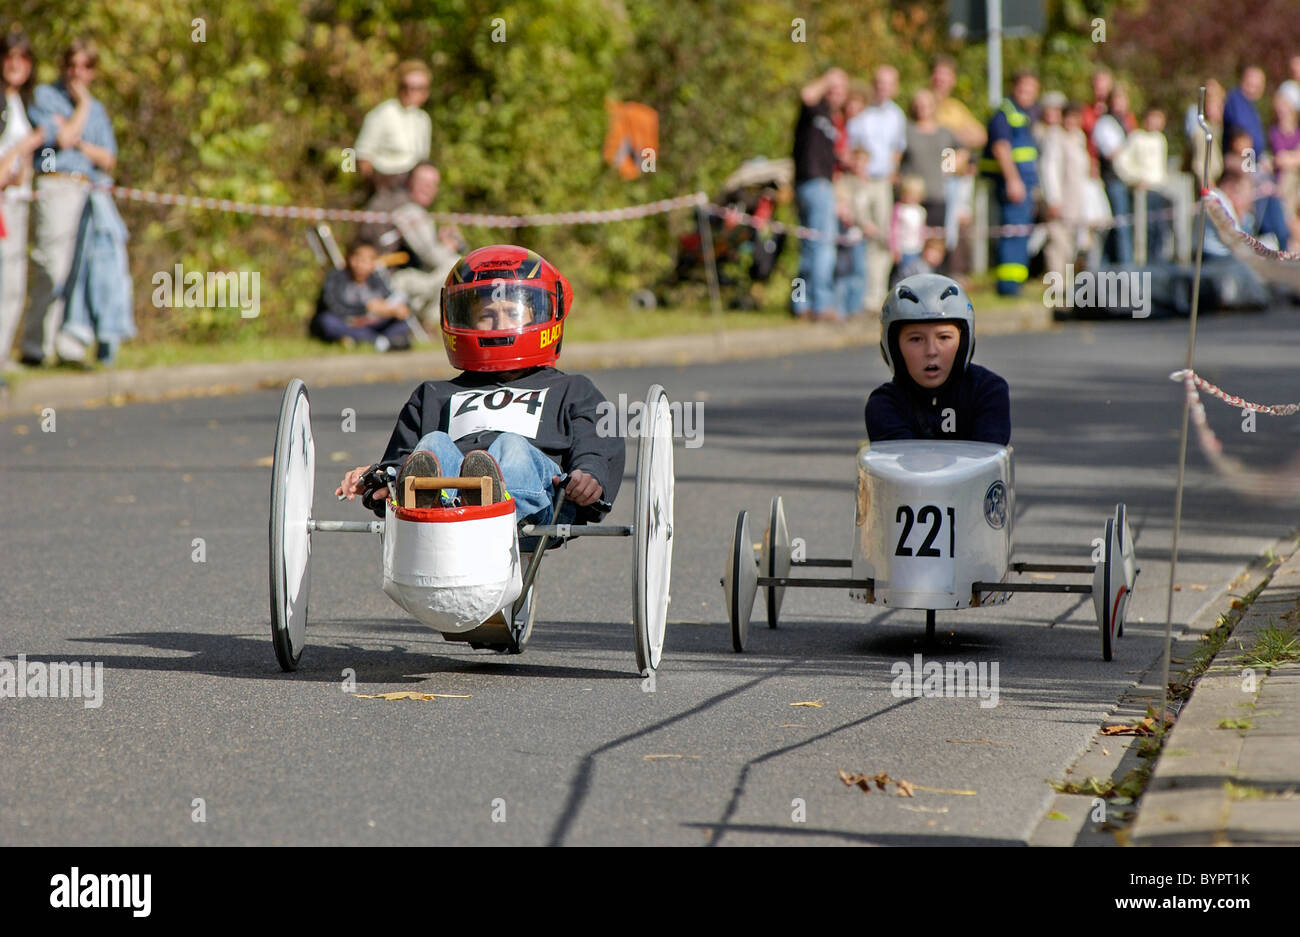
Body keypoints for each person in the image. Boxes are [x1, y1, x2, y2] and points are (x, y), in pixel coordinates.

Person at [335, 245, 624, 529]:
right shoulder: (433, 395)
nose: (498, 325)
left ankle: (494, 506)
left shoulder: (571, 389)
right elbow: (401, 458)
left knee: (511, 445)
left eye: (512, 313)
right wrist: (382, 476)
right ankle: (439, 507)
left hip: (542, 497)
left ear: (542, 315)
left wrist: (588, 474)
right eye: (486, 316)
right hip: (449, 506)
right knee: (433, 445)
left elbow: (595, 446)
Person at [21, 38, 118, 366]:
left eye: (85, 66)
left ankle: (68, 345)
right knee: (51, 265)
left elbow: (108, 158)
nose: (77, 72)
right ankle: (36, 347)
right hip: (54, 184)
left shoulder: (98, 109)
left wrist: (81, 143)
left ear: (93, 71)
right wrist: (82, 110)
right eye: (72, 64)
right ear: (63, 65)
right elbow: (61, 139)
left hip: (87, 190)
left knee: (81, 270)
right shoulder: (45, 96)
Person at [865, 273, 1010, 445]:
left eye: (944, 337)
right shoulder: (884, 404)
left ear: (964, 342)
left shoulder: (987, 391)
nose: (931, 351)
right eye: (916, 339)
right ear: (894, 348)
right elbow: (906, 463)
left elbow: (988, 460)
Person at [358, 160, 464, 324]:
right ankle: (433, 322)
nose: (428, 189)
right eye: (423, 183)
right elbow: (432, 257)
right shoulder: (408, 210)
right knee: (455, 267)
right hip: (386, 279)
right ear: (409, 182)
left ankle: (429, 322)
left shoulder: (390, 200)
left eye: (433, 184)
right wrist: (452, 245)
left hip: (379, 275)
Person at [0, 29, 42, 375]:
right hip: (3, 203)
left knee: (13, 283)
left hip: (18, 202)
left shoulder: (23, 102)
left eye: (22, 58)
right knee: (8, 283)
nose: (15, 64)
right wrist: (23, 149)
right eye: (9, 57)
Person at [848, 65, 907, 310]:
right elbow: (851, 147)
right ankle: (855, 295)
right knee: (858, 234)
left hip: (882, 181)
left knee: (882, 238)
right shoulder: (861, 113)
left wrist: (892, 173)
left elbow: (897, 148)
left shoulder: (897, 115)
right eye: (879, 82)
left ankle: (876, 294)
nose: (882, 87)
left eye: (887, 83)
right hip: (861, 181)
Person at [791, 67, 848, 320]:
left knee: (810, 247)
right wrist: (828, 78)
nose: (835, 93)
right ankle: (821, 304)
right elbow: (806, 94)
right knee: (822, 246)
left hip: (821, 184)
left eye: (840, 90)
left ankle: (801, 305)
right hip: (812, 183)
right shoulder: (814, 110)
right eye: (832, 89)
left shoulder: (834, 120)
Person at [980, 69, 1040, 295]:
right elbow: (1001, 148)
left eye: (1031, 89)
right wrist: (1013, 180)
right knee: (1014, 232)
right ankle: (1008, 287)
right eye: (1023, 87)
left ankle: (1015, 283)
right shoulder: (1004, 113)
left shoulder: (1026, 113)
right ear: (1013, 87)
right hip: (1013, 184)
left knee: (1021, 232)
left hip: (1025, 183)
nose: (1026, 93)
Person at [311, 238, 413, 352]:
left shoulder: (376, 278)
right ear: (351, 259)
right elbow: (333, 306)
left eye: (369, 260)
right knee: (327, 321)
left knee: (401, 322)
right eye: (361, 259)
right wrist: (366, 308)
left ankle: (367, 340)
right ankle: (379, 341)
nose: (368, 264)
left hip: (373, 323)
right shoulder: (336, 277)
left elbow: (390, 298)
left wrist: (396, 309)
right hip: (349, 323)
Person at [354, 60, 433, 191]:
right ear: (399, 87)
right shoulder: (382, 113)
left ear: (426, 92)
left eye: (418, 88)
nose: (410, 92)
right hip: (384, 186)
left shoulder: (423, 119)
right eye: (406, 86)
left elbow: (422, 159)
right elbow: (359, 155)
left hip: (411, 187)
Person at [1039, 101, 1091, 276]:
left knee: (1071, 244)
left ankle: (1068, 283)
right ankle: (1056, 285)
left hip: (1076, 199)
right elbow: (1049, 168)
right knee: (1057, 242)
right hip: (1060, 200)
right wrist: (1053, 198)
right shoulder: (1054, 136)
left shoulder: (1079, 137)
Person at [900, 88, 957, 240]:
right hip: (911, 196)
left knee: (935, 242)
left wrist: (949, 170)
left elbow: (953, 153)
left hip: (936, 194)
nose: (922, 108)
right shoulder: (906, 130)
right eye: (919, 104)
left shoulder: (944, 133)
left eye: (926, 104)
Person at [1092, 84, 1137, 265]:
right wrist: (1130, 145)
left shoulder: (1124, 122)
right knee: (1119, 226)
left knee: (1119, 228)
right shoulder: (1105, 123)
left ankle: (1108, 267)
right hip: (1112, 180)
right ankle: (1125, 267)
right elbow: (1109, 152)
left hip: (1125, 180)